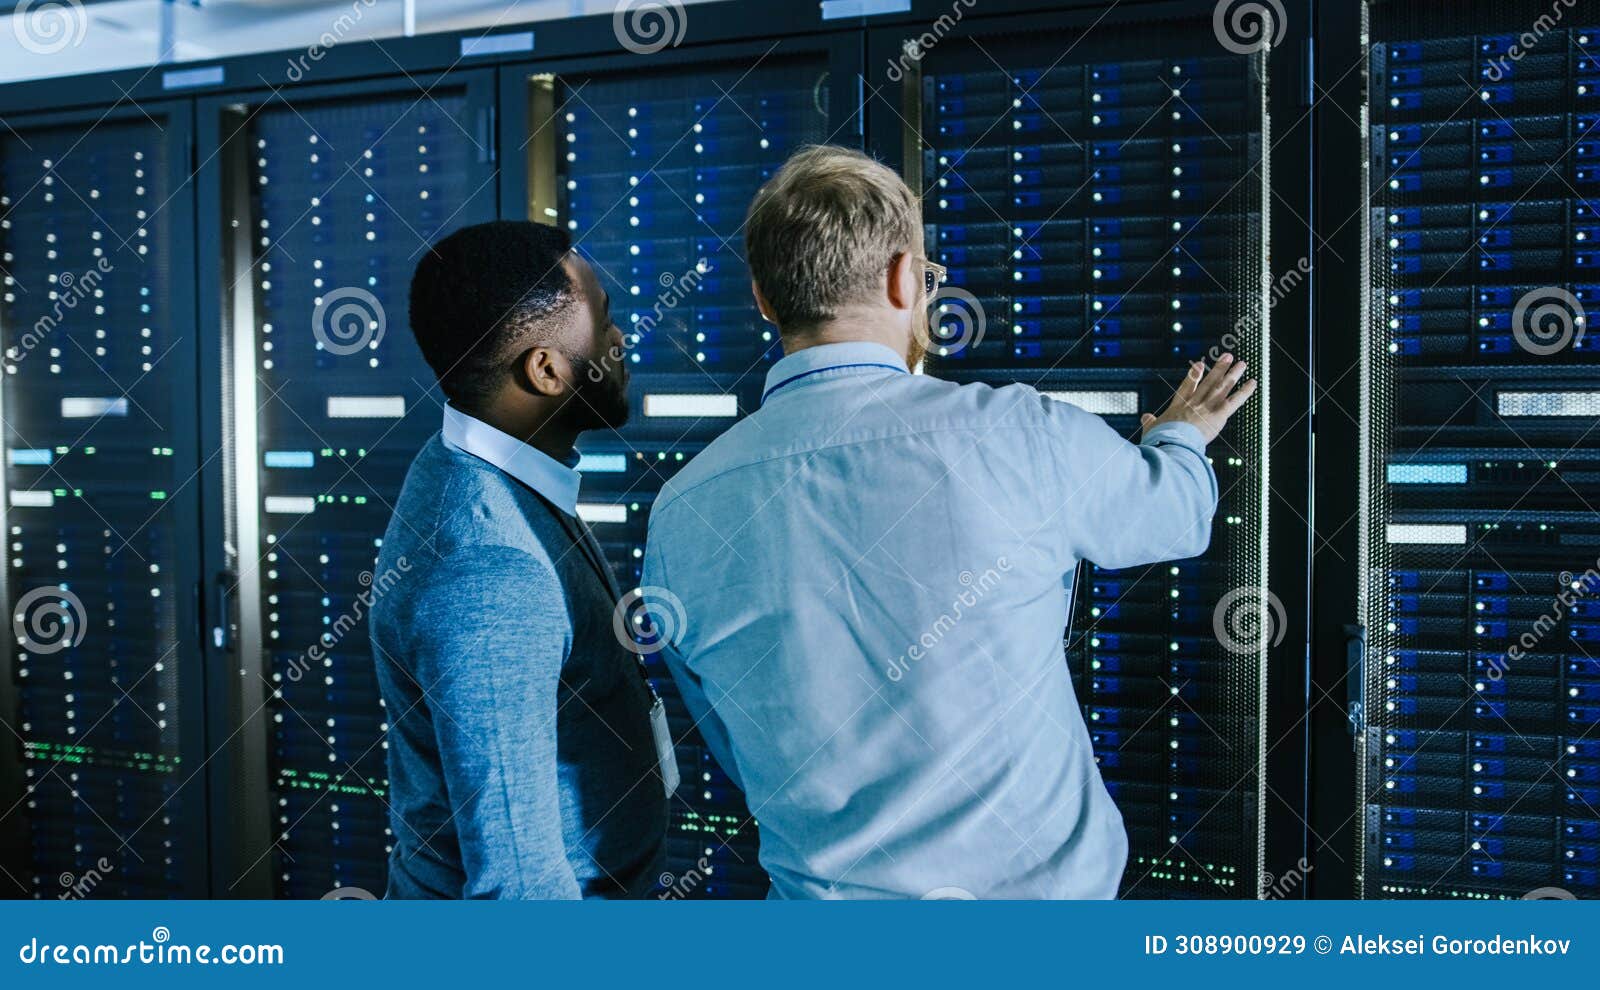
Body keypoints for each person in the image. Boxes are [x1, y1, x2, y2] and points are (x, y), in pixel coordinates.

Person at [641, 145, 1255, 899]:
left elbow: (730, 740)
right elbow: (1175, 516)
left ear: (764, 298)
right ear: (906, 278)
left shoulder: (682, 509)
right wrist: (1181, 436)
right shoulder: (1019, 433)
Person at [371, 220, 671, 899]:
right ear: (544, 369)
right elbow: (517, 882)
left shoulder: (487, 471)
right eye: (605, 321)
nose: (622, 341)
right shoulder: (488, 570)